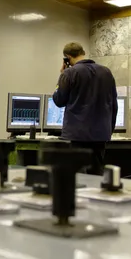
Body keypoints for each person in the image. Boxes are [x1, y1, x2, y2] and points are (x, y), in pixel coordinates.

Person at [52, 42, 118, 175]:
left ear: (67, 58)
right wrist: (108, 131)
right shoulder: (106, 72)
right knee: (97, 174)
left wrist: (61, 77)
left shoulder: (69, 73)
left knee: (77, 176)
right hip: (100, 135)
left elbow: (59, 100)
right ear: (83, 53)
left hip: (76, 135)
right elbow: (113, 105)